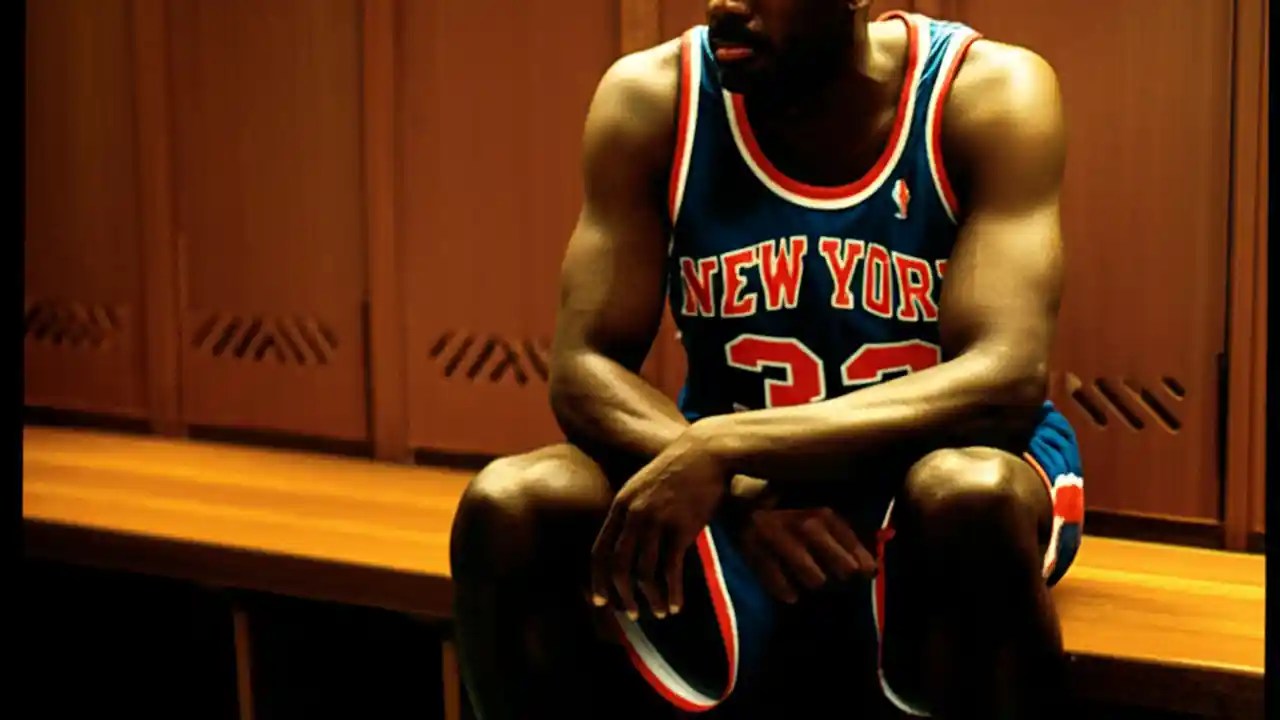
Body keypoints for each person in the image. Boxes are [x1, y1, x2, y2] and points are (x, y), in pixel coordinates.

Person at [449, 1, 1086, 717]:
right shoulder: (654, 98)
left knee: (967, 489)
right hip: (739, 487)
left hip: (928, 479)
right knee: (513, 502)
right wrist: (741, 487)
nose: (726, 4)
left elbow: (1005, 380)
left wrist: (727, 447)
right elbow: (583, 369)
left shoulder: (986, 92)